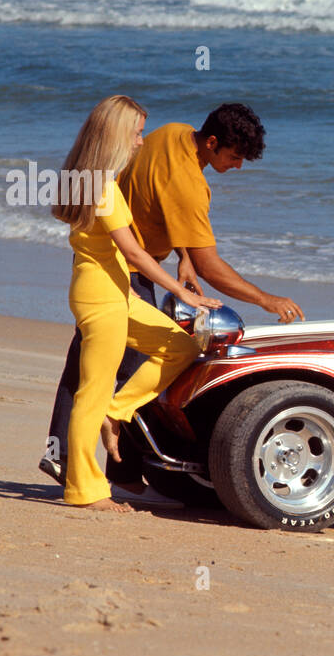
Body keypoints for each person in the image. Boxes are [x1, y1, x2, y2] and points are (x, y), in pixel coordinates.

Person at [41, 102, 303, 493]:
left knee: (92, 365)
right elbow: (208, 265)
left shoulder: (173, 134)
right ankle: (112, 472)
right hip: (126, 271)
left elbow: (160, 205)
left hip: (102, 264)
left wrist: (183, 257)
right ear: (212, 143)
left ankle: (65, 452)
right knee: (118, 373)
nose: (238, 166)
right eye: (234, 156)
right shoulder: (179, 185)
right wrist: (265, 299)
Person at [51, 96, 222, 512]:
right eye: (136, 133)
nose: (141, 142)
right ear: (115, 135)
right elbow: (136, 255)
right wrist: (182, 292)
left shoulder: (87, 177)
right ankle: (84, 491)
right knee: (91, 392)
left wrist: (180, 256)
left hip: (114, 292)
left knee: (182, 346)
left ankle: (119, 410)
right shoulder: (103, 187)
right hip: (102, 297)